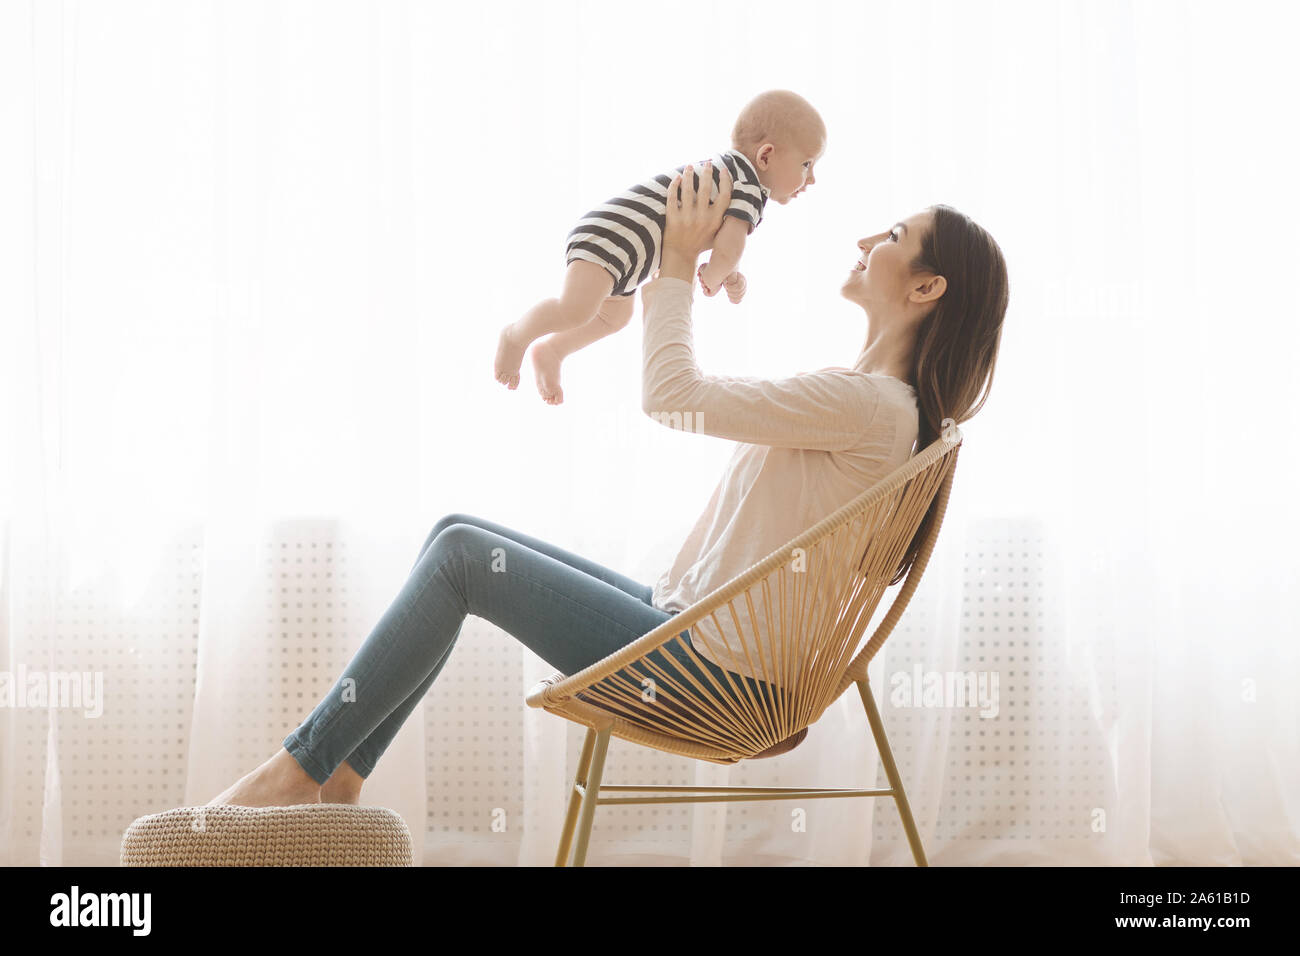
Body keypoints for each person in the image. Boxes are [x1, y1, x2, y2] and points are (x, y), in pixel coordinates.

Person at [207, 157, 1009, 808]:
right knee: (453, 529)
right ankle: (340, 780)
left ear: (927, 287)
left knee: (458, 557)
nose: (869, 236)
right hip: (696, 634)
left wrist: (672, 264)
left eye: (895, 235)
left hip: (711, 677)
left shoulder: (869, 406)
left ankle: (296, 772)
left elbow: (674, 398)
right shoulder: (872, 402)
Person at [493, 89, 826, 405]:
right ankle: (516, 336)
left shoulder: (736, 175)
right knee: (576, 309)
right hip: (613, 239)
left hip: (629, 253)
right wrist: (716, 274)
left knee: (614, 317)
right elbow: (730, 243)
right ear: (766, 155)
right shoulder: (750, 189)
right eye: (807, 164)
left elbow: (723, 234)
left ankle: (553, 351)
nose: (811, 179)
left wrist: (729, 272)